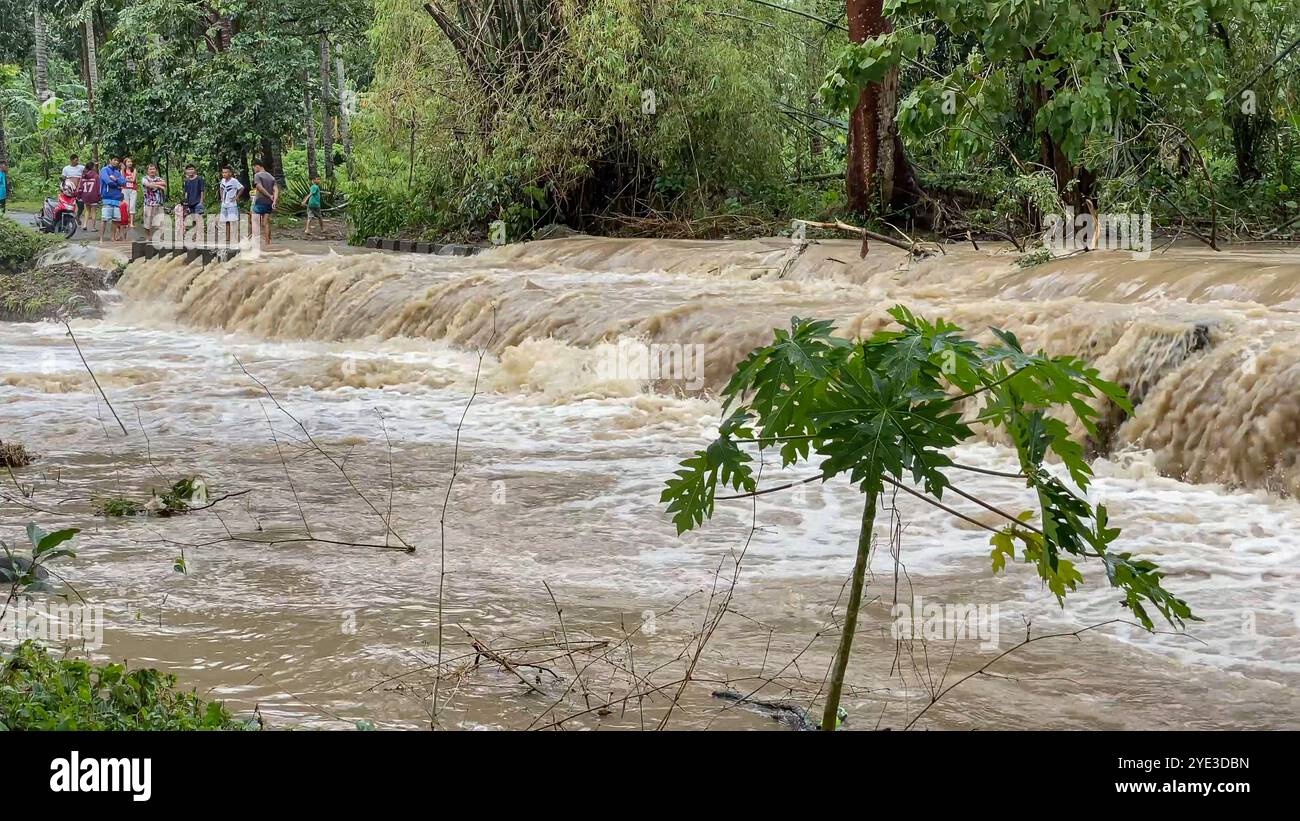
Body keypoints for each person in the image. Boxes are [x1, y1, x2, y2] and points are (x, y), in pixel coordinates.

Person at [98, 157, 127, 243]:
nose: (116, 162)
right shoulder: (104, 169)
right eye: (114, 160)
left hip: (117, 198)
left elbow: (123, 182)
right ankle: (101, 238)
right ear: (110, 160)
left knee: (116, 219)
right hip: (107, 197)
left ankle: (112, 237)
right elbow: (108, 181)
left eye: (117, 161)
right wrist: (118, 184)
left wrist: (116, 179)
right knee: (104, 218)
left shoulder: (117, 172)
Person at [251, 160, 278, 249]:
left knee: (255, 221)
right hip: (269, 203)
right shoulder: (271, 177)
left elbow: (259, 187)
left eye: (254, 167)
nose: (254, 169)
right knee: (266, 223)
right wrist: (274, 200)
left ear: (257, 166)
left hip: (260, 201)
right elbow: (276, 190)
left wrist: (269, 195)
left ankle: (255, 242)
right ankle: (268, 242)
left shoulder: (257, 175)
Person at [218, 166, 244, 245]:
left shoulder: (234, 181)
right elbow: (221, 188)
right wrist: (222, 197)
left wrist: (237, 197)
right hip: (224, 204)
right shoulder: (223, 180)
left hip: (232, 204)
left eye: (226, 172)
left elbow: (241, 188)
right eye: (223, 172)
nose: (224, 174)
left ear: (230, 173)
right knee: (225, 221)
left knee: (233, 221)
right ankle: (227, 237)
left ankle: (235, 237)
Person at [141, 164, 166, 236]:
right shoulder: (144, 178)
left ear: (156, 170)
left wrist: (155, 183)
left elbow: (164, 183)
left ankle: (159, 237)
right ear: (147, 171)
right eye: (150, 169)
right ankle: (148, 237)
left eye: (153, 169)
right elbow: (148, 185)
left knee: (160, 222)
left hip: (159, 203)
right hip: (149, 203)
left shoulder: (158, 178)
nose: (152, 171)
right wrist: (159, 186)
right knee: (147, 222)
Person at [78, 161, 101, 232]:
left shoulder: (83, 176)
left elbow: (81, 186)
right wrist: (99, 196)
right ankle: (93, 227)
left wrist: (80, 195)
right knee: (93, 211)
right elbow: (98, 187)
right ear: (93, 167)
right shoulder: (96, 176)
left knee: (87, 210)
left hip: (85, 195)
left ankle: (85, 225)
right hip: (93, 195)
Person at [121, 157, 138, 229]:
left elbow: (134, 180)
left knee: (132, 205)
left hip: (133, 189)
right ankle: (126, 222)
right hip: (125, 189)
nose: (130, 163)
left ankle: (131, 223)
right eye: (128, 162)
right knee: (126, 206)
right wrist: (128, 179)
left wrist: (126, 179)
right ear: (125, 163)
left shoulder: (134, 170)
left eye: (131, 162)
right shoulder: (122, 170)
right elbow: (121, 179)